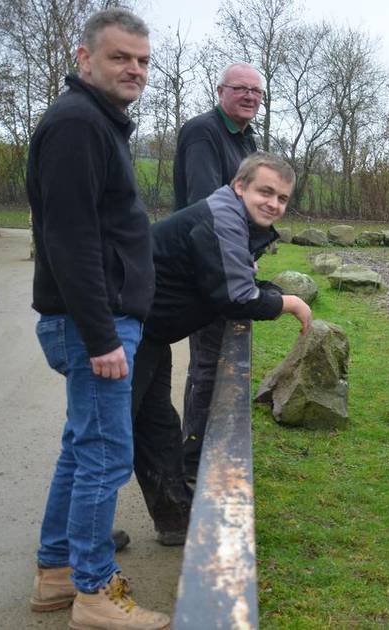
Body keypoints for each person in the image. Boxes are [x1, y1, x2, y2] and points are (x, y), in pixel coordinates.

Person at [26, 8, 170, 629]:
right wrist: (102, 335)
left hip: (101, 321)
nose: (134, 69)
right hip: (96, 324)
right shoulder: (78, 125)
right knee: (106, 457)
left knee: (81, 448)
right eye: (120, 57)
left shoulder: (97, 123)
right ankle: (93, 593)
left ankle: (57, 571)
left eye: (141, 60)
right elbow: (71, 240)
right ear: (86, 60)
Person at [130, 152, 312, 544]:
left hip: (150, 333)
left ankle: (175, 519)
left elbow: (234, 280)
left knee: (157, 425)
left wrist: (265, 287)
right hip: (125, 330)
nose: (273, 204)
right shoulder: (221, 219)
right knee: (104, 436)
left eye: (282, 198)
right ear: (240, 186)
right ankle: (67, 550)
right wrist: (289, 303)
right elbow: (235, 297)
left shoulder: (230, 217)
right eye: (266, 191)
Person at [171, 62, 264, 490]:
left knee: (230, 360)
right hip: (207, 268)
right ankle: (193, 466)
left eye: (256, 92)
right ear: (221, 90)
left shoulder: (247, 139)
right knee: (209, 364)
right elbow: (206, 204)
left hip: (233, 263)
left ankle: (218, 450)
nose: (249, 97)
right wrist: (233, 257)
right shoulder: (203, 132)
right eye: (241, 89)